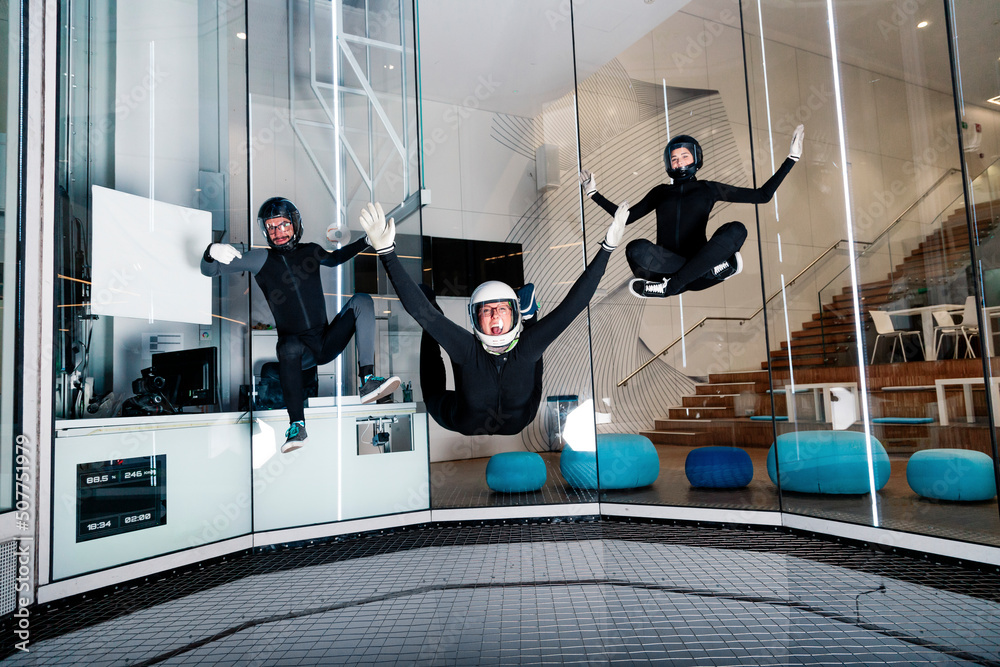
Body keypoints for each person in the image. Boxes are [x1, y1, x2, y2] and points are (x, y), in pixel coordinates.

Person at [357, 200, 628, 436]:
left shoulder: (526, 347)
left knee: (534, 345)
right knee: (431, 331)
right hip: (463, 418)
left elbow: (574, 305)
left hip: (520, 417)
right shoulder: (467, 349)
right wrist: (386, 253)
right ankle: (525, 315)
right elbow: (420, 313)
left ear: (513, 315)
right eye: (487, 310)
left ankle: (529, 316)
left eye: (502, 309)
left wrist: (607, 248)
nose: (495, 314)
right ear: (476, 319)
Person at [201, 197, 399, 453]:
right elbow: (210, 271)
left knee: (362, 300)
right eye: (271, 227)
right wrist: (210, 251)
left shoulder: (310, 251)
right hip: (297, 352)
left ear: (295, 224)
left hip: (325, 341)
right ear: (265, 231)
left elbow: (336, 258)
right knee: (287, 345)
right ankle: (297, 425)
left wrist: (366, 241)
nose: (278, 232)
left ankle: (368, 380)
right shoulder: (260, 258)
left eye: (283, 224)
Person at [581, 124, 804, 298]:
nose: (679, 163)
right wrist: (594, 194)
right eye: (674, 159)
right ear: (669, 163)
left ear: (696, 159)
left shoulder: (709, 188)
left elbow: (762, 195)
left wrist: (791, 158)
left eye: (684, 157)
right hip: (673, 269)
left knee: (737, 229)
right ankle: (704, 274)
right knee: (634, 248)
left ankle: (670, 288)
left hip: (699, 263)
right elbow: (624, 219)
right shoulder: (660, 192)